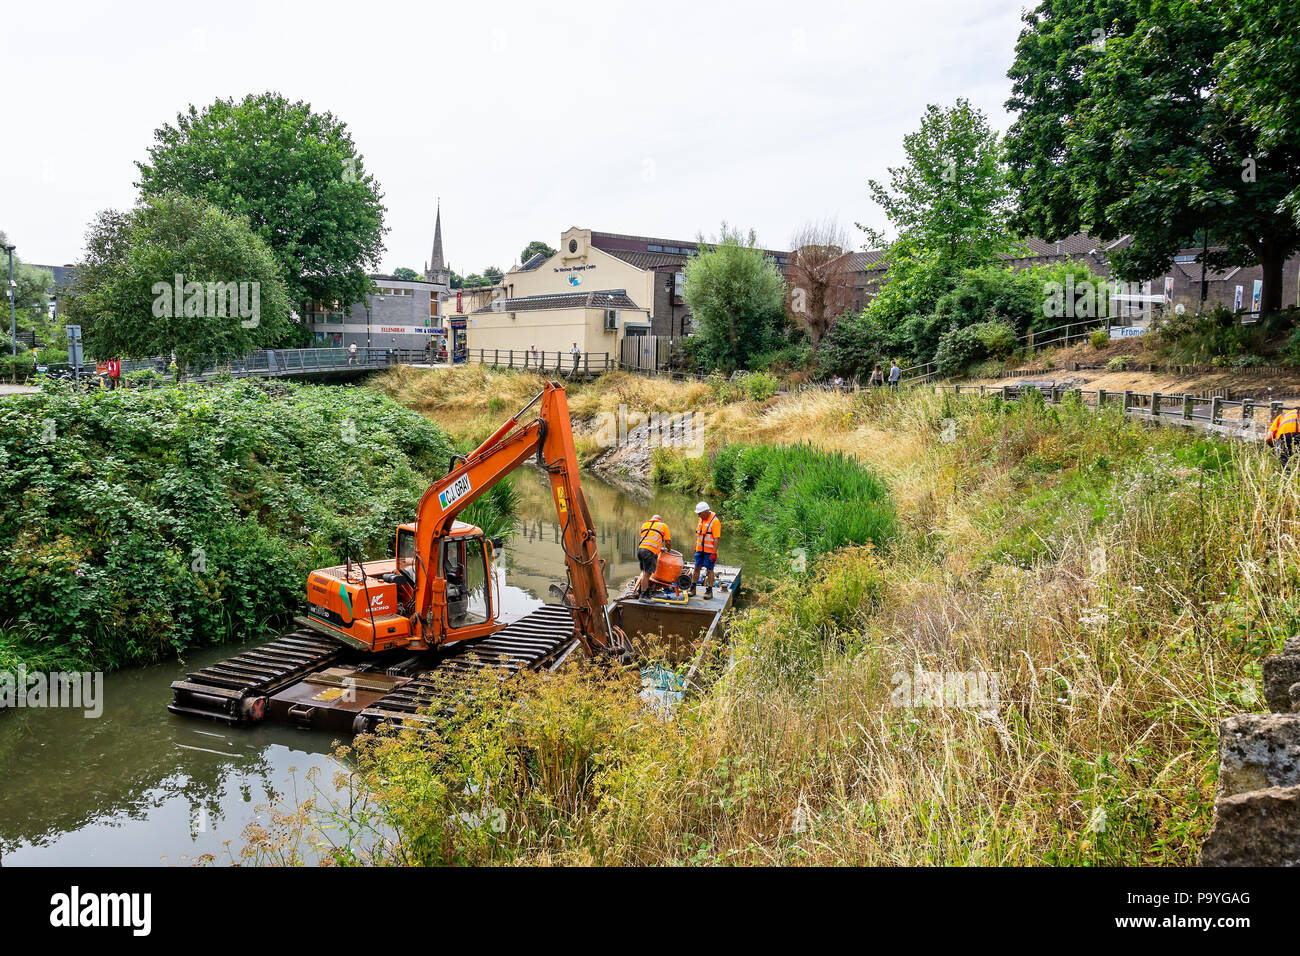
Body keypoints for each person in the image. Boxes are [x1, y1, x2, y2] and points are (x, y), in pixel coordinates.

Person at [689, 501, 721, 600]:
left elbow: (716, 539)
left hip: (709, 551)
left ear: (706, 511)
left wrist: (714, 553)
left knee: (709, 570)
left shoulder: (715, 522)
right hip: (700, 550)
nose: (698, 515)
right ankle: (693, 588)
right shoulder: (701, 519)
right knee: (696, 568)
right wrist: (695, 546)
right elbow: (699, 535)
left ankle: (709, 591)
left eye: (700, 513)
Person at [634, 514, 671, 599]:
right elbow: (668, 542)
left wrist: (658, 547)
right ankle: (643, 596)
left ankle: (642, 590)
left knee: (644, 573)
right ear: (659, 520)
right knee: (647, 574)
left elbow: (649, 538)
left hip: (640, 550)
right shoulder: (663, 526)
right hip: (650, 552)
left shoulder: (645, 525)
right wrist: (668, 549)